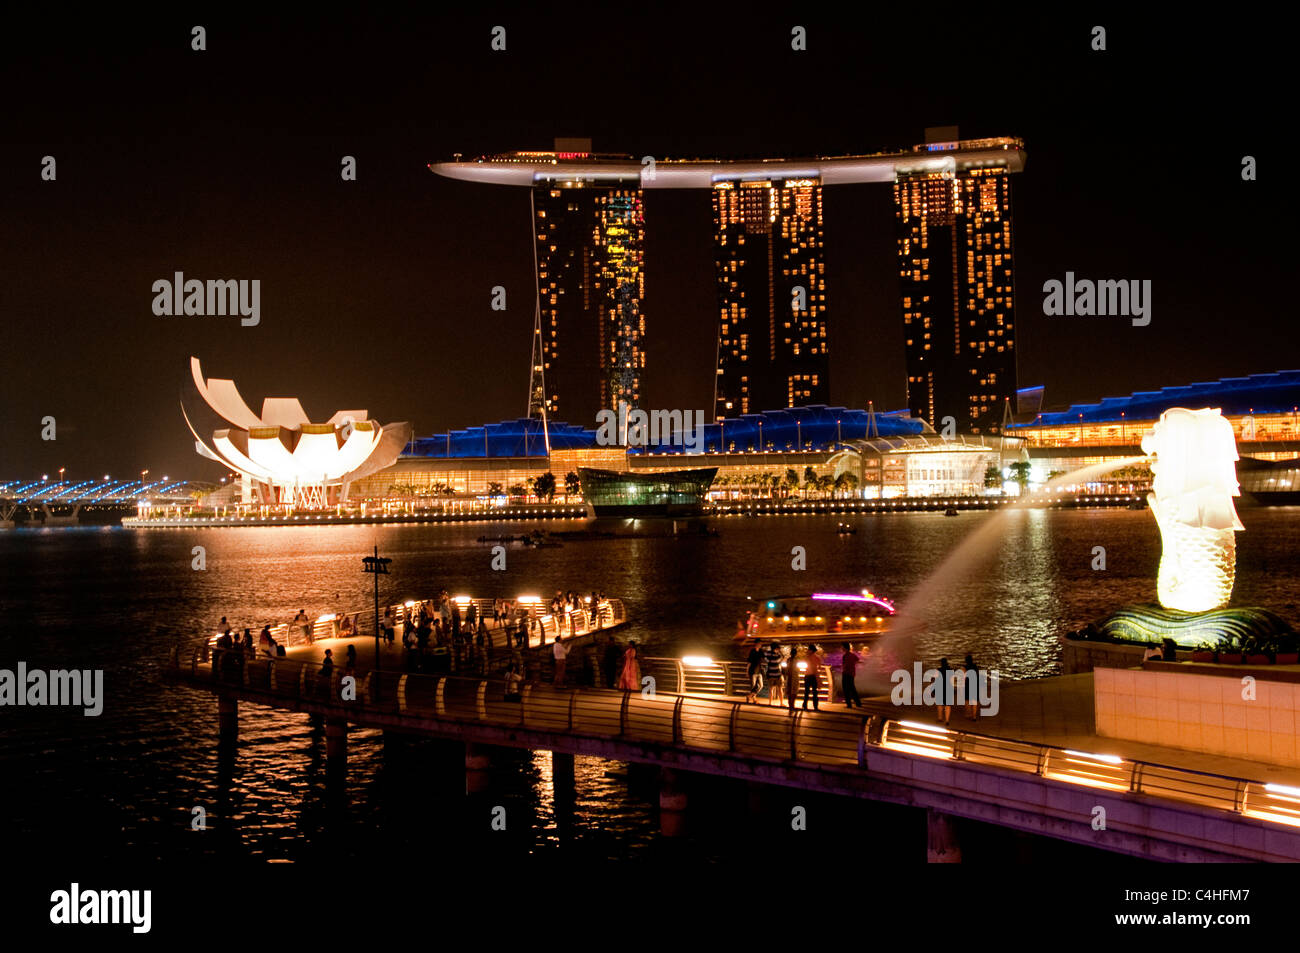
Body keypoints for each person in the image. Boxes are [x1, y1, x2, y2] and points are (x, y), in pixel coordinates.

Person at [840, 643, 862, 709]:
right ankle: (858, 703)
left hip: (846, 673)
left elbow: (844, 665)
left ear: (845, 648)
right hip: (852, 674)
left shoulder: (845, 656)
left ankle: (849, 704)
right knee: (852, 688)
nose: (841, 648)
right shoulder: (853, 655)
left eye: (842, 647)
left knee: (846, 689)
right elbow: (858, 660)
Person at [802, 645, 823, 711]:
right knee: (815, 692)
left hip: (807, 676)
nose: (808, 650)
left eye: (809, 649)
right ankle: (815, 707)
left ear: (811, 650)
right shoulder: (817, 657)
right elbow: (819, 667)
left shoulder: (807, 657)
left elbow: (805, 664)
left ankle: (805, 706)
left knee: (806, 692)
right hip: (814, 676)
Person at [963, 654, 980, 720]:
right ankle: (974, 716)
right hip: (975, 685)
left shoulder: (965, 667)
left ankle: (968, 714)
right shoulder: (975, 666)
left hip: (968, 685)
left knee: (967, 700)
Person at [937, 657, 953, 724]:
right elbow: (952, 680)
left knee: (940, 704)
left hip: (940, 688)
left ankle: (940, 718)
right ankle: (947, 720)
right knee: (948, 705)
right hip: (948, 688)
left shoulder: (938, 670)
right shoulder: (950, 670)